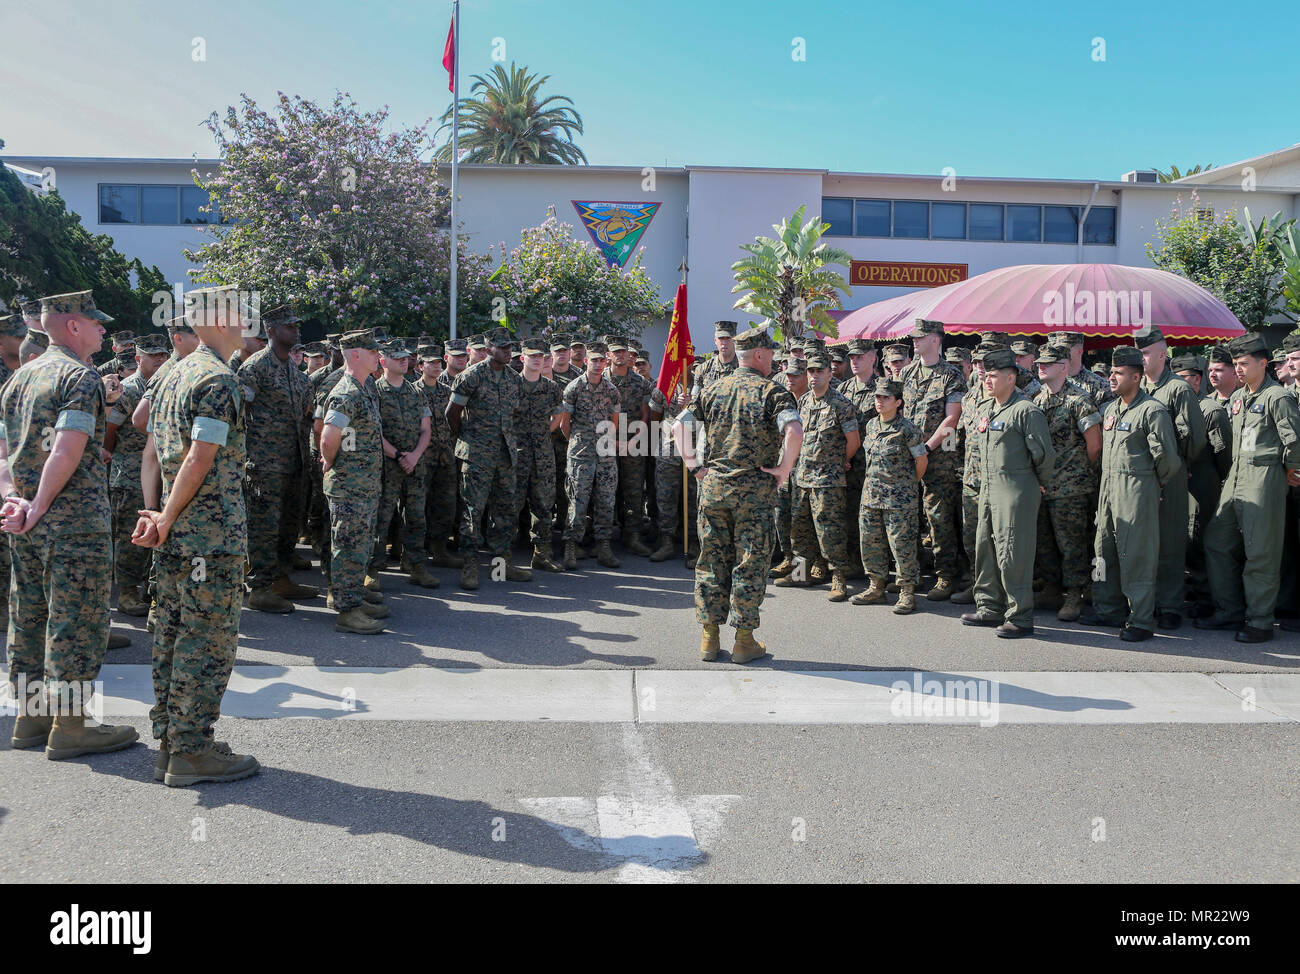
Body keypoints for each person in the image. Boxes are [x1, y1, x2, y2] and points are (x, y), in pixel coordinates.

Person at [0, 290, 139, 757]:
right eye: (96, 322)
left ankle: (32, 718)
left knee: (30, 617)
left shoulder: (20, 378)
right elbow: (69, 444)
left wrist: (14, 502)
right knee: (76, 621)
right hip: (73, 522)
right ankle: (73, 726)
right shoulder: (79, 376)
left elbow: (5, 453)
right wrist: (38, 503)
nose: (103, 329)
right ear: (73, 325)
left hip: (27, 524)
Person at [131, 284, 259, 785]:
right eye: (244, 314)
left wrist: (160, 513)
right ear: (224, 319)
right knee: (207, 640)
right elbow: (200, 457)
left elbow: (153, 449)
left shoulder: (174, 372)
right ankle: (191, 750)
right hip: (209, 533)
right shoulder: (217, 379)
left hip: (177, 533)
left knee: (171, 631)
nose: (249, 324)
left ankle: (171, 738)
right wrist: (165, 515)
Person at [675, 325, 801, 663]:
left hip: (714, 489)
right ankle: (744, 641)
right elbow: (794, 429)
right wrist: (784, 469)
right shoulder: (772, 392)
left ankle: (709, 638)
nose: (774, 359)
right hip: (754, 493)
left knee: (711, 561)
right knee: (750, 563)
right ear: (759, 355)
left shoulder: (713, 388)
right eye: (771, 353)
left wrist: (693, 466)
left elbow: (678, 426)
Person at [1199, 333, 1300, 643]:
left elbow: (1294, 440)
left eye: (1244, 364)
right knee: (1217, 542)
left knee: (1261, 552)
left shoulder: (1277, 397)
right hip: (1237, 475)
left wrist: (1291, 470)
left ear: (1263, 363)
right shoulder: (1241, 398)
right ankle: (1229, 611)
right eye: (1236, 364)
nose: (1238, 370)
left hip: (1264, 477)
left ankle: (1260, 620)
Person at [1082, 346, 1179, 641]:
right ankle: (1109, 609)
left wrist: (1152, 486)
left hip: (1137, 491)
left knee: (1136, 555)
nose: (1111, 377)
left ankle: (1140, 619)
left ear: (1136, 377)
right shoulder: (1112, 409)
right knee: (1104, 552)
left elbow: (1168, 460)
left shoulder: (1152, 410)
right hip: (1108, 490)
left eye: (1118, 373)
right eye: (1111, 372)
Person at [957, 347, 1054, 637]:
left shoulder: (1026, 410)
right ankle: (989, 606)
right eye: (985, 375)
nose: (986, 380)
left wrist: (1036, 482)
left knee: (1013, 554)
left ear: (1011, 378)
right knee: (985, 548)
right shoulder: (988, 409)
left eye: (994, 376)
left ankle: (1020, 616)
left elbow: (1044, 456)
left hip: (1015, 490)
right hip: (988, 488)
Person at [240, 307, 318, 613]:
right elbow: (237, 414)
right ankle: (259, 587)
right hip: (264, 466)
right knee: (264, 528)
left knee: (288, 526)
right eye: (288, 326)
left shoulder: (298, 377)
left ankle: (281, 579)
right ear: (270, 330)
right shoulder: (254, 368)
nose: (295, 330)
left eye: (296, 325)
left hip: (294, 463)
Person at [448, 326, 532, 589]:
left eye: (510, 348)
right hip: (477, 455)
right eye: (503, 348)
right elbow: (452, 414)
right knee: (474, 511)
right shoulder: (471, 376)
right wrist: (468, 439)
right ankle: (470, 565)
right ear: (488, 350)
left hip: (505, 455)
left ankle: (501, 564)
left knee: (505, 510)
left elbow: (514, 414)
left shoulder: (513, 378)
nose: (509, 352)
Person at [775, 350, 859, 601]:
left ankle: (838, 578)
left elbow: (853, 441)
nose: (814, 376)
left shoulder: (841, 404)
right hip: (802, 477)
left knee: (830, 532)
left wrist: (840, 461)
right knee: (800, 531)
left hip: (828, 481)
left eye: (819, 371)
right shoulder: (803, 402)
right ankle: (801, 574)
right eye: (810, 371)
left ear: (830, 373)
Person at [320, 330, 388, 634]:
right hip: (349, 486)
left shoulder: (364, 387)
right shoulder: (346, 392)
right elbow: (328, 437)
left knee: (360, 547)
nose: (378, 356)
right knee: (348, 548)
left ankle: (354, 599)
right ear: (356, 355)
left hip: (365, 485)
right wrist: (332, 463)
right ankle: (347, 611)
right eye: (373, 352)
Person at [1138, 327, 1207, 629]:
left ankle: (1169, 605)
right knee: (1144, 540)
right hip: (1141, 475)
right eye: (1138, 352)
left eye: (1146, 353)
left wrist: (1181, 464)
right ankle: (1145, 601)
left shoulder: (1177, 389)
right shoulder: (1137, 385)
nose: (1141, 358)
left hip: (1171, 474)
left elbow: (1196, 436)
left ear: (1163, 355)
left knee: (1169, 542)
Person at [1032, 344, 1102, 620]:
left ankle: (1075, 593)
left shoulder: (1079, 400)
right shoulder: (1038, 400)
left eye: (1048, 363)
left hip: (1071, 487)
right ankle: (1051, 588)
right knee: (1045, 541)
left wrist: (1076, 472)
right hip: (1044, 485)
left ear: (1063, 366)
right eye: (1039, 362)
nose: (1041, 366)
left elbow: (1094, 445)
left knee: (1072, 543)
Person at [899, 318, 966, 601]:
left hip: (938, 459)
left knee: (939, 519)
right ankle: (909, 575)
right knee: (908, 516)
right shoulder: (906, 373)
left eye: (920, 337)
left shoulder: (951, 374)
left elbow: (953, 417)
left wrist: (927, 446)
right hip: (907, 457)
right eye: (914, 337)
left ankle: (945, 576)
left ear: (936, 339)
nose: (915, 340)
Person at [104, 333, 169, 617]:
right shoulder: (129, 390)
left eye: (162, 355)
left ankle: (147, 589)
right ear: (138, 358)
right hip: (129, 474)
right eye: (152, 355)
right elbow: (109, 430)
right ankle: (128, 593)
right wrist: (113, 459)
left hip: (157, 472)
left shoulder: (166, 383)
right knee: (130, 537)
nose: (158, 360)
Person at [852, 378, 927, 613]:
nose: (880, 401)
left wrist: (905, 486)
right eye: (877, 397)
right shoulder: (872, 425)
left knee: (901, 546)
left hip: (898, 499)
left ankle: (906, 591)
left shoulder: (908, 429)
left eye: (885, 397)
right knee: (871, 543)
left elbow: (921, 461)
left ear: (898, 402)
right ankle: (876, 586)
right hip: (871, 497)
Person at [370, 341, 438, 589]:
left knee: (416, 518)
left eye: (406, 357)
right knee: (381, 519)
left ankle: (416, 566)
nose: (403, 361)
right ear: (383, 361)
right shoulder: (374, 391)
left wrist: (415, 455)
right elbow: (374, 433)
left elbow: (425, 430)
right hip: (388, 467)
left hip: (415, 465)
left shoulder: (416, 392)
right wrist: (399, 455)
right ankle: (373, 570)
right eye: (397, 357)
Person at [1175, 350, 1232, 618]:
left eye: (1182, 378)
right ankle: (1192, 590)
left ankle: (1206, 596)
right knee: (1183, 539)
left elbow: (1224, 455)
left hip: (1202, 482)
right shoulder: (1177, 405)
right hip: (1181, 483)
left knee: (1198, 538)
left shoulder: (1211, 410)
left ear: (1196, 381)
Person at [558, 341, 621, 569]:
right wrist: (577, 444)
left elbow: (615, 422)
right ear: (586, 361)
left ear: (607, 362)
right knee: (578, 500)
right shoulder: (574, 388)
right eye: (593, 360)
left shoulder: (612, 390)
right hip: (581, 453)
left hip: (605, 454)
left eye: (601, 360)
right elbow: (565, 424)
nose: (597, 364)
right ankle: (571, 546)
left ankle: (603, 546)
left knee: (606, 500)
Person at [512, 338, 565, 572]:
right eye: (532, 356)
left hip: (543, 455)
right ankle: (503, 558)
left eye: (540, 356)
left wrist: (546, 430)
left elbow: (559, 414)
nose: (536, 359)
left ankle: (542, 554)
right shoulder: (511, 385)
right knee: (509, 506)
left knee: (543, 506)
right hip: (516, 454)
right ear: (522, 358)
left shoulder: (551, 388)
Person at [605, 334, 654, 556]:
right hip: (605, 440)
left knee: (634, 490)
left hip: (634, 440)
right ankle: (603, 539)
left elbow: (646, 415)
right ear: (609, 355)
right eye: (616, 352)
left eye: (623, 351)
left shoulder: (640, 383)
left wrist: (633, 440)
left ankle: (632, 535)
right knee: (605, 490)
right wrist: (613, 440)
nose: (620, 355)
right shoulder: (600, 381)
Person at [416, 345, 462, 568]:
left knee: (445, 503)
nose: (436, 366)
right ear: (420, 366)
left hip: (445, 455)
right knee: (418, 504)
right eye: (430, 363)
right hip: (422, 456)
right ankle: (413, 550)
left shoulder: (447, 391)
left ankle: (440, 548)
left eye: (438, 363)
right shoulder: (413, 391)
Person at [838, 338, 878, 579]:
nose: (854, 361)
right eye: (851, 357)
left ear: (872, 357)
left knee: (874, 520)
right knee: (849, 514)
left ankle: (876, 569)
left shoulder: (883, 389)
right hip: (850, 463)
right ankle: (853, 563)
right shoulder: (842, 390)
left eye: (859, 356)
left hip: (874, 466)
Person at [769, 358, 808, 577]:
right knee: (781, 517)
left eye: (795, 375)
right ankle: (788, 559)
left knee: (802, 523)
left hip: (806, 470)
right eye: (788, 375)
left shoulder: (813, 402)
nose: (790, 379)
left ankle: (801, 572)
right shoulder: (781, 402)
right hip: (783, 467)